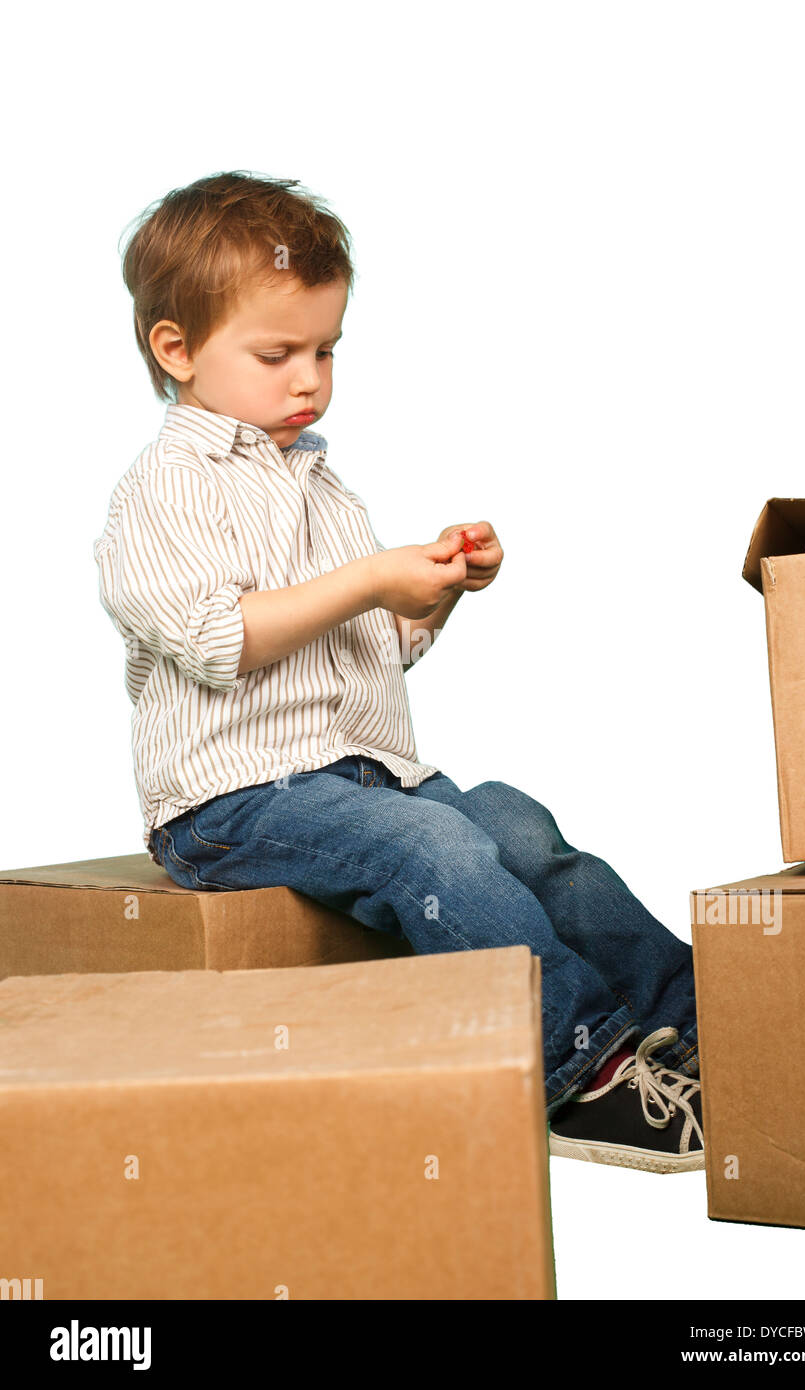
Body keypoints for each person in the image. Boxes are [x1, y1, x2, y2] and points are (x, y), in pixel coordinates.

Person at [93, 171, 702, 1174]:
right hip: (231, 802)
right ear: (178, 349)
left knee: (517, 826)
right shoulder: (162, 491)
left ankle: (696, 1026)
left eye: (325, 349)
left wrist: (435, 590)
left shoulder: (321, 486)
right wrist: (371, 575)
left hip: (364, 770)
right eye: (276, 353)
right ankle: (580, 1073)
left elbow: (379, 649)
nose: (308, 380)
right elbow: (215, 640)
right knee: (431, 850)